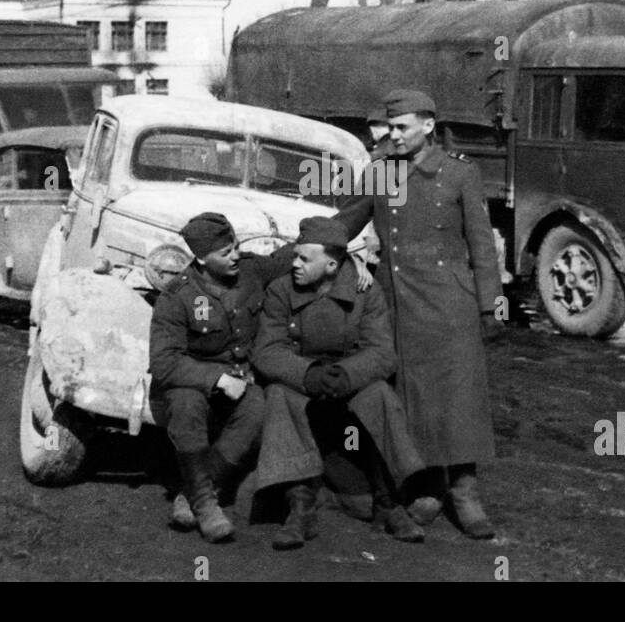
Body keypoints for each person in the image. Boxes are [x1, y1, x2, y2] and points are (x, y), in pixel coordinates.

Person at [334, 88, 503, 539]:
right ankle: (427, 486)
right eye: (389, 127)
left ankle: (464, 492)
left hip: (450, 305)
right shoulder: (380, 173)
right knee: (409, 400)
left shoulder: (460, 174)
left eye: (401, 127)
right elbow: (343, 224)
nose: (393, 135)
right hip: (396, 306)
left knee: (457, 397)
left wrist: (490, 305)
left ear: (428, 125)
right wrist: (304, 246)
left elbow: (482, 245)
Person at [252, 216, 426, 549]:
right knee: (279, 395)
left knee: (380, 396)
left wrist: (348, 374)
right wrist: (307, 374)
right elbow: (267, 349)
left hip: (348, 379)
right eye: (295, 255)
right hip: (303, 378)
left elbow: (382, 352)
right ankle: (300, 508)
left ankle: (389, 503)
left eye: (305, 258)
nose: (295, 263)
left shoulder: (366, 291)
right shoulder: (281, 290)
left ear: (332, 264)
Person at [148, 212, 292, 542]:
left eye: (236, 247)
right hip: (193, 379)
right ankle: (209, 507)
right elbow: (164, 362)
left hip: (242, 379)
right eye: (226, 253)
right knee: (186, 407)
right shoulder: (176, 296)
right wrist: (217, 379)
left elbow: (300, 251)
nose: (236, 256)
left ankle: (195, 494)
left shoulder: (252, 271)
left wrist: (350, 254)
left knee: (257, 409)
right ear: (201, 257)